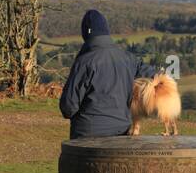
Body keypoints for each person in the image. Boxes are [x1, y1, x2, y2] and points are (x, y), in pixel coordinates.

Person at [59, 9, 158, 138]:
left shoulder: (84, 62)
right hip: (122, 132)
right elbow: (156, 76)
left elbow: (68, 107)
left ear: (86, 34)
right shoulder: (128, 58)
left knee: (67, 158)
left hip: (86, 136)